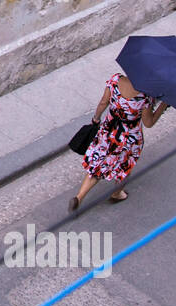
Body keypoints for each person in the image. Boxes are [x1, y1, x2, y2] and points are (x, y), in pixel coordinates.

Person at [69, 71, 168, 212]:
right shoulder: (145, 97)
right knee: (125, 164)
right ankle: (117, 193)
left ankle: (79, 196)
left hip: (108, 129)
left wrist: (96, 118)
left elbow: (103, 102)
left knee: (98, 162)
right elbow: (149, 122)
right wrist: (163, 105)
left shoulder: (115, 80)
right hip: (128, 137)